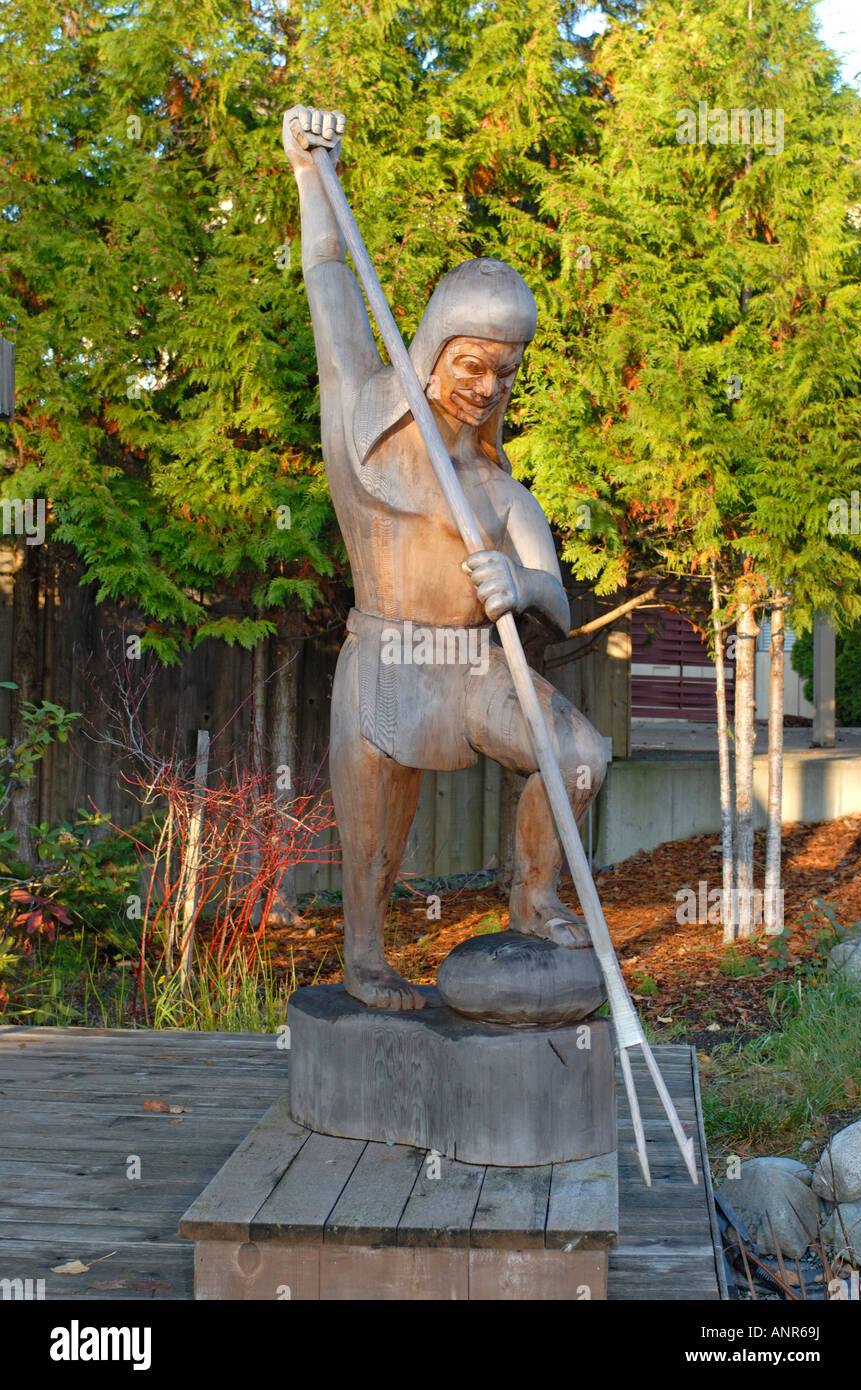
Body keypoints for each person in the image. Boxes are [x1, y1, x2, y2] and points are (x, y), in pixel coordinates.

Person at [284, 105, 606, 1010]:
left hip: (472, 671)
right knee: (377, 848)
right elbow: (330, 280)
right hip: (387, 661)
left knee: (578, 754)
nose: (488, 386)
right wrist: (315, 177)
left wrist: (523, 581)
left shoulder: (501, 490)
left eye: (505, 372)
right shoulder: (364, 428)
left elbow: (561, 601)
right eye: (473, 364)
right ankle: (366, 959)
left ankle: (534, 902)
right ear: (434, 351)